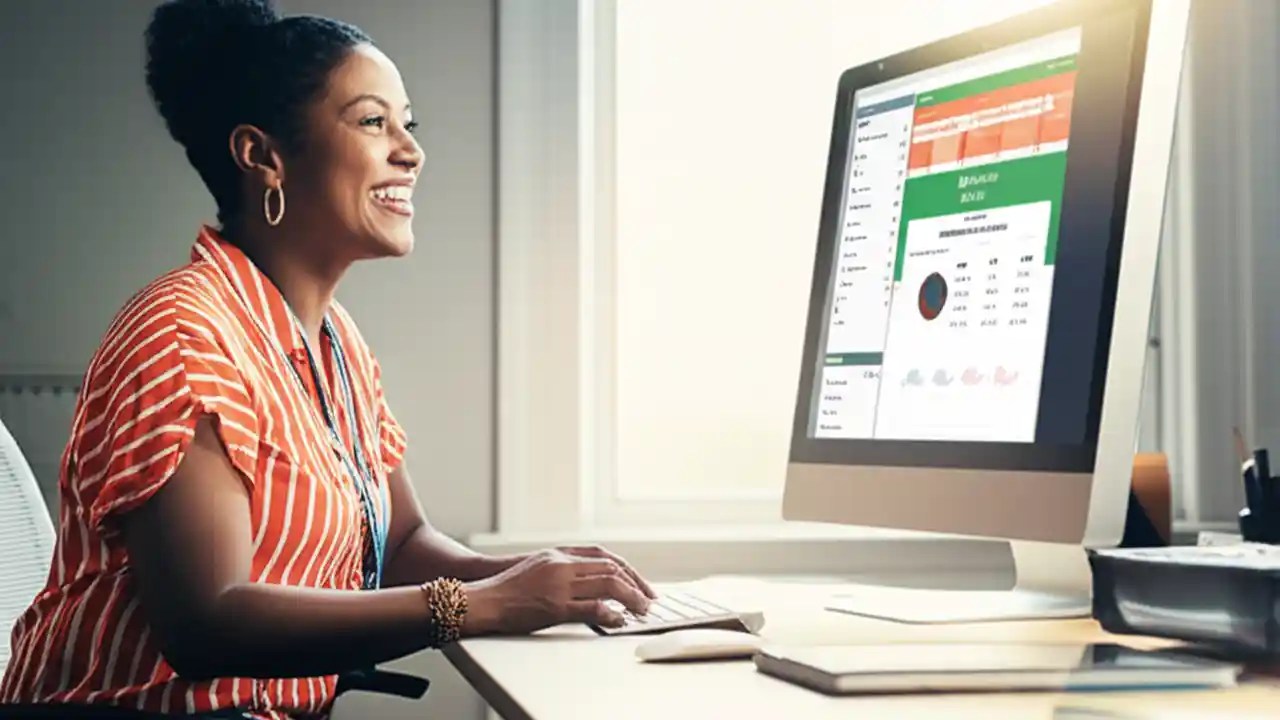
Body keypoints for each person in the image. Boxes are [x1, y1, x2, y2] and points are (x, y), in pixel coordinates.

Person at [0, 1, 654, 718]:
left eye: (410, 124)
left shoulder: (336, 342)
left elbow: (399, 543)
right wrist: (478, 605)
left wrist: (545, 580)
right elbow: (206, 625)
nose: (410, 150)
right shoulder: (183, 333)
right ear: (262, 156)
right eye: (375, 122)